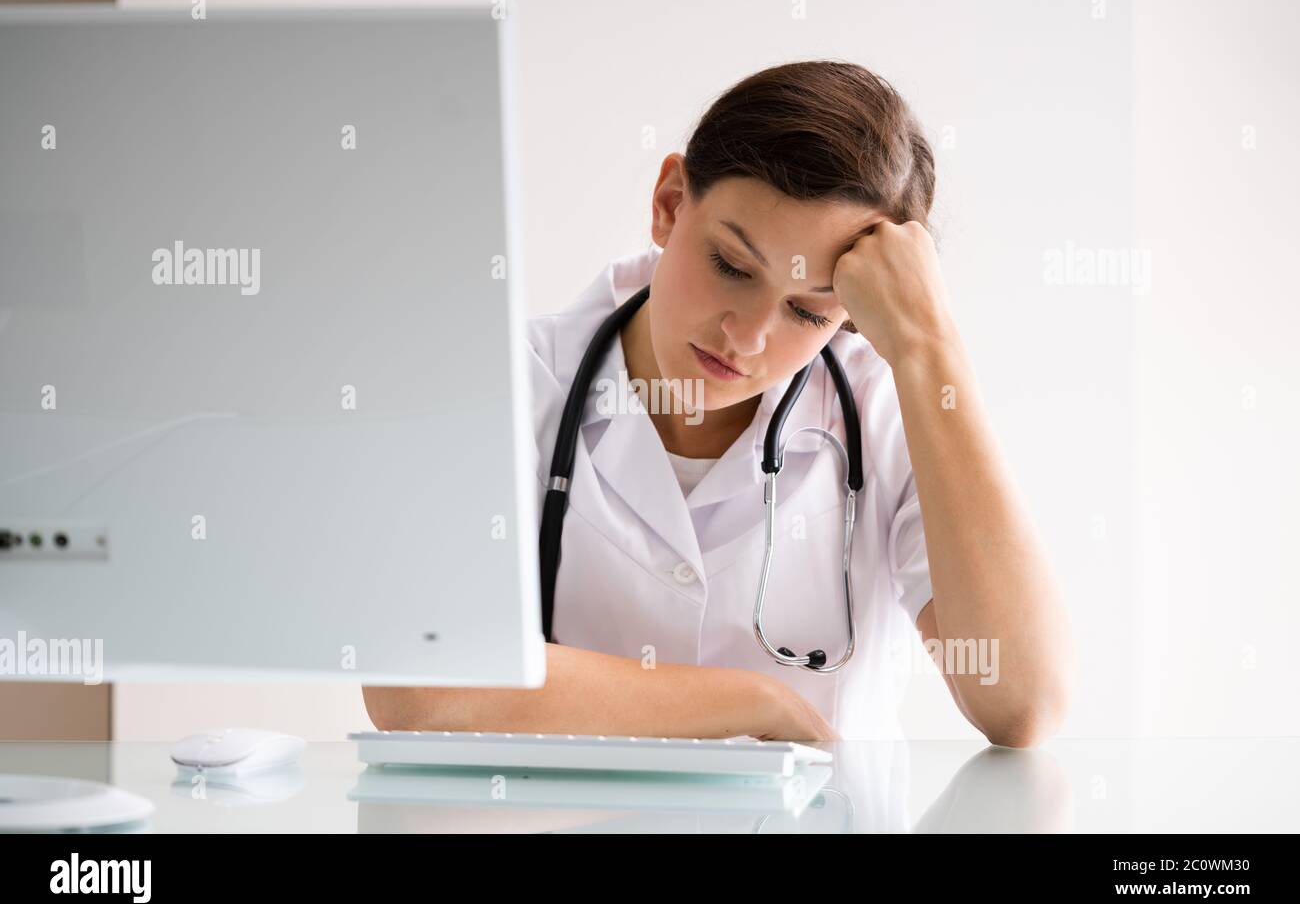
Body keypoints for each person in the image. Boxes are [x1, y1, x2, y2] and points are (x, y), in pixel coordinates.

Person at [364, 60, 1074, 744]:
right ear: (670, 204)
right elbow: (416, 685)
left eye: (807, 310)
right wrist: (751, 704)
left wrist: (929, 349)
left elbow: (1022, 703)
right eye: (731, 266)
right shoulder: (502, 381)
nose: (747, 335)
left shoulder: (886, 406)